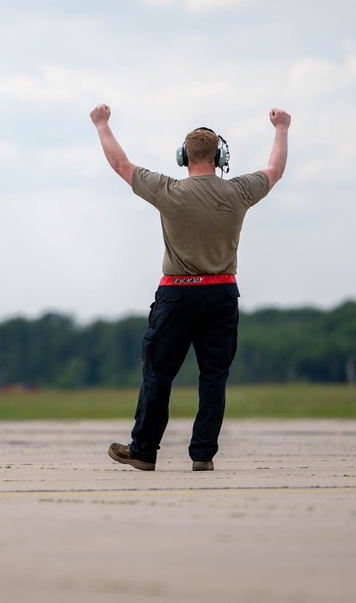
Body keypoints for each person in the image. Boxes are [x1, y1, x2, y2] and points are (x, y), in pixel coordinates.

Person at [90, 103, 291, 471]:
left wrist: (101, 124)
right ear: (220, 157)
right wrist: (281, 129)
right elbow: (275, 170)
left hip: (177, 293)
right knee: (214, 377)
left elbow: (121, 164)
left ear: (183, 157)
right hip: (222, 292)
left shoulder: (168, 190)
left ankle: (144, 451)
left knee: (159, 373)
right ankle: (203, 455)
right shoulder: (239, 191)